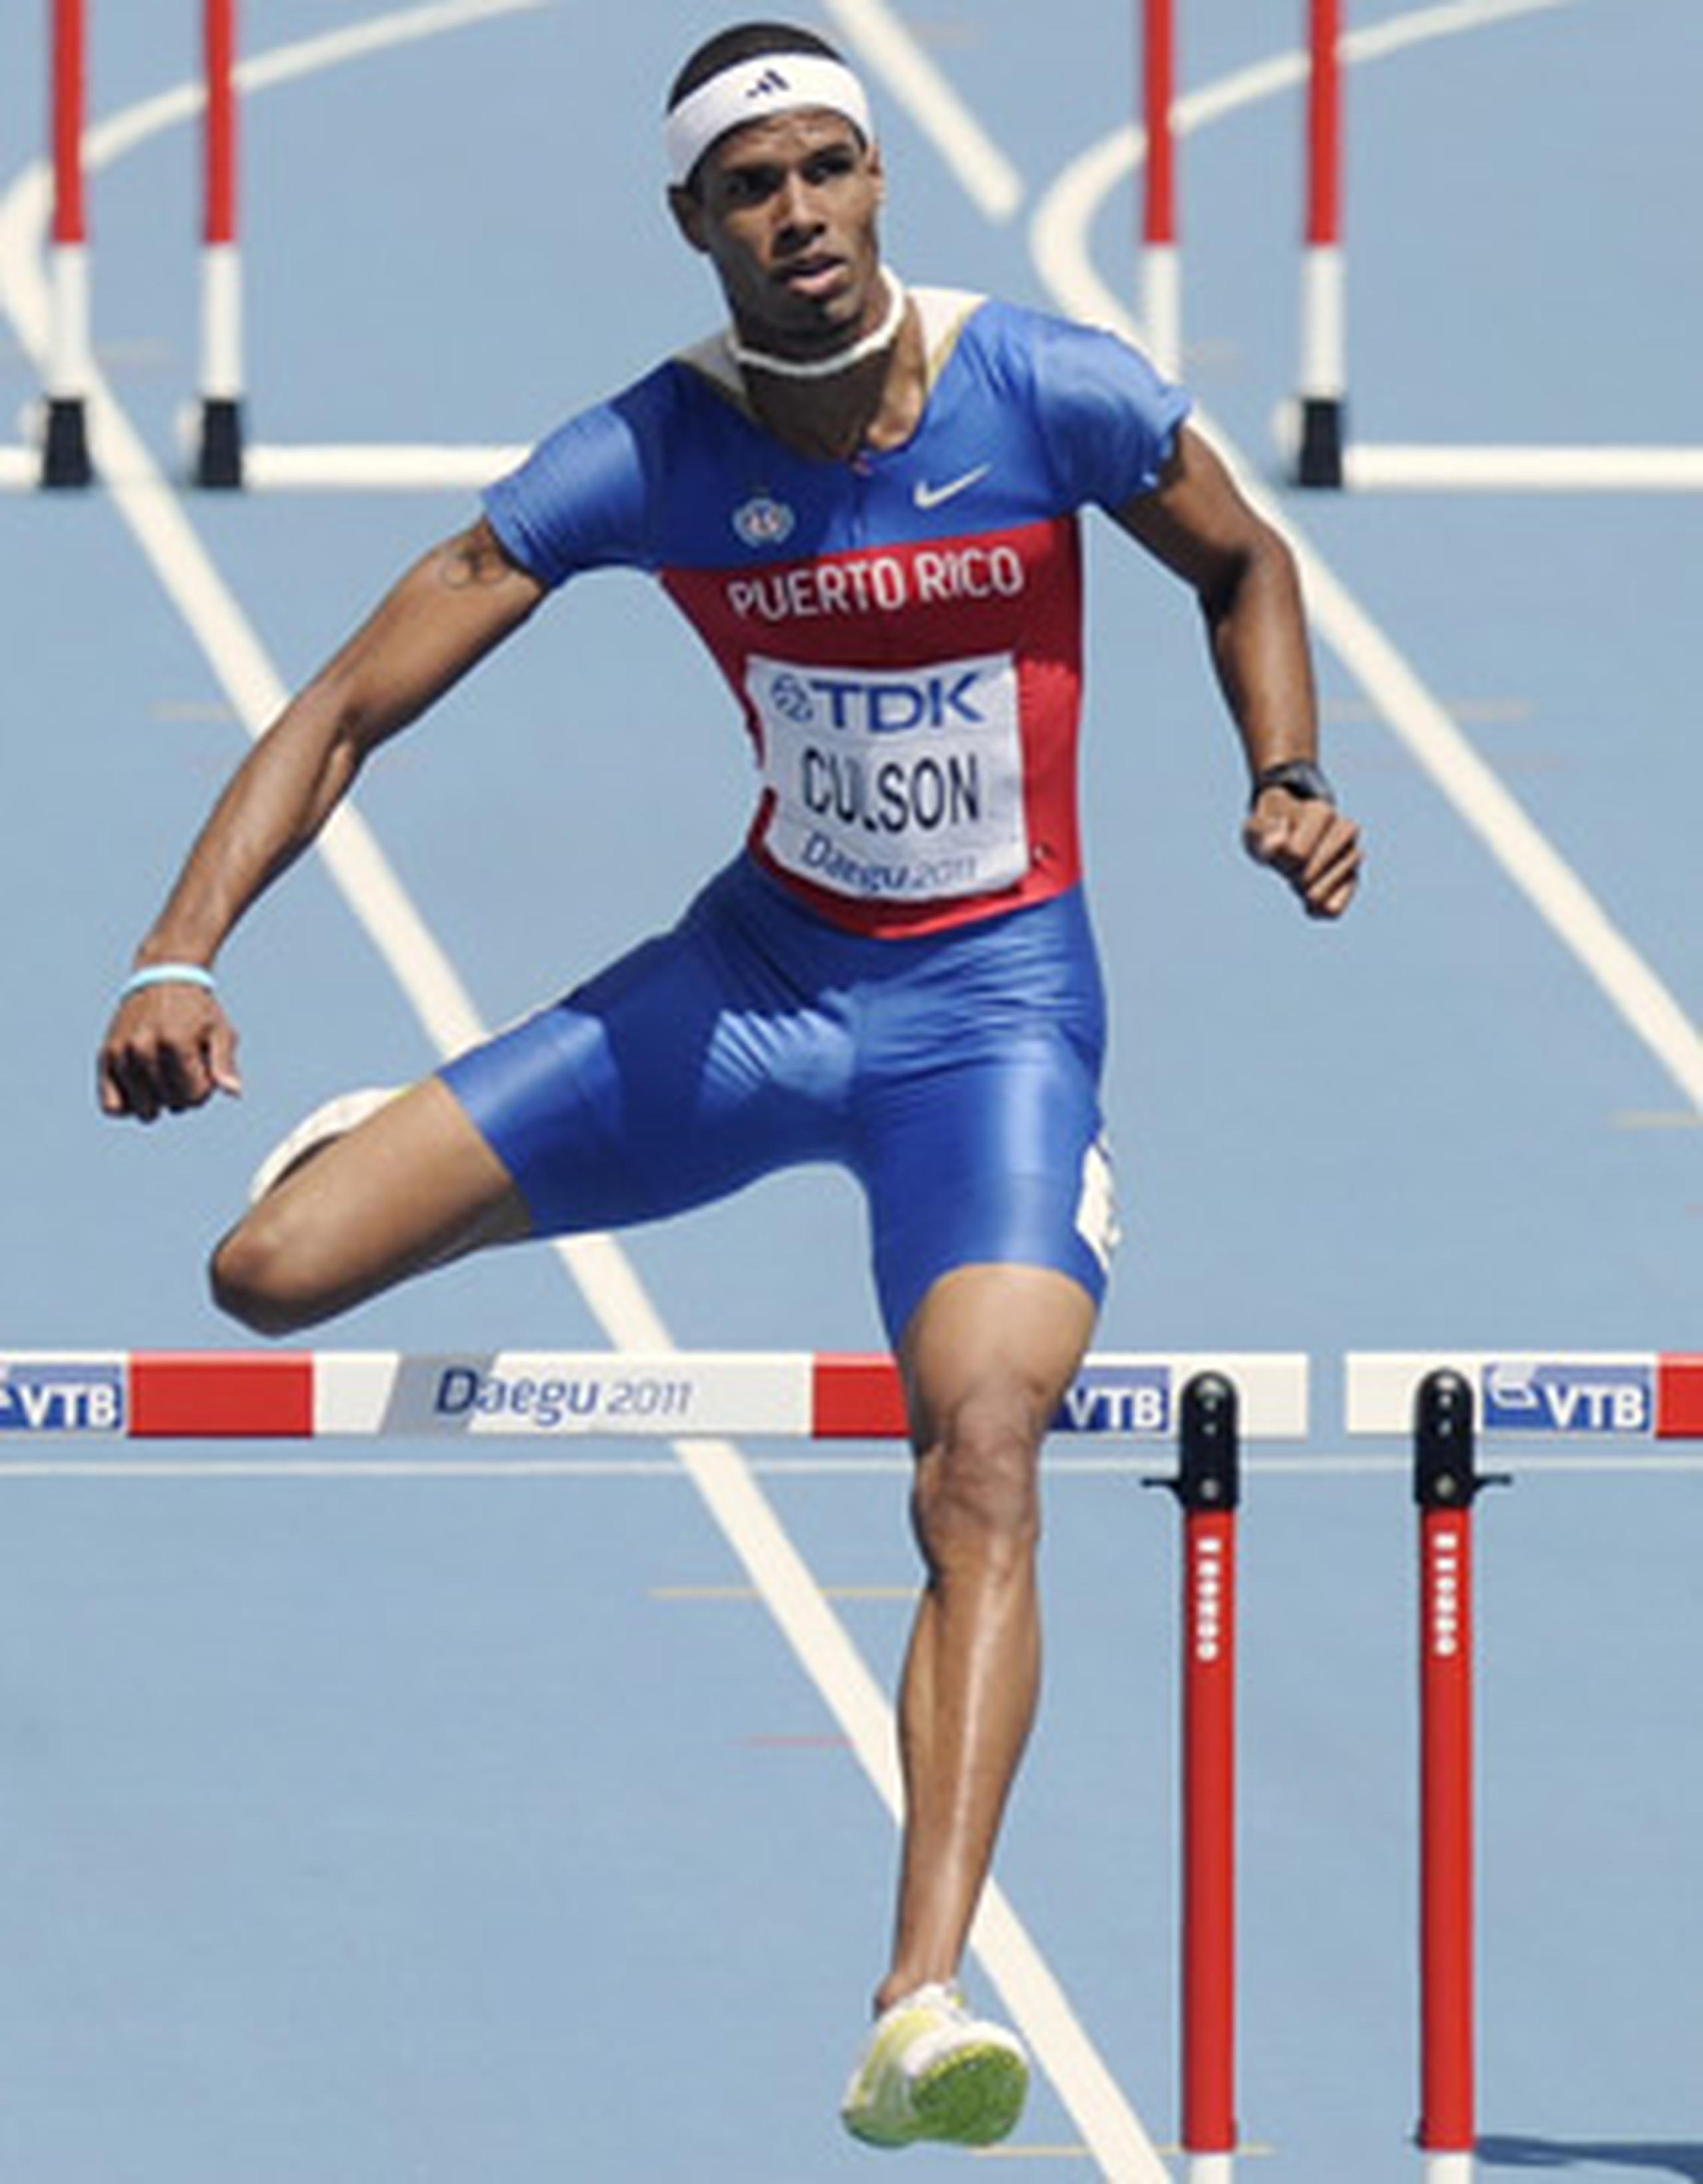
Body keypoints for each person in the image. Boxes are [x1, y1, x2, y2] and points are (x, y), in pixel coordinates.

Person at [97, 18, 1362, 2154]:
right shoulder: (651, 453)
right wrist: (176, 945)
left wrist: (1290, 769)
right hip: (757, 983)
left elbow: (1243, 557)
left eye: (829, 172)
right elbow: (346, 699)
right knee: (270, 1269)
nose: (801, 218)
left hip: (991, 1022)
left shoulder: (1044, 386)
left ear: (880, 183)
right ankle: (415, 1147)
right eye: (753, 189)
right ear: (695, 225)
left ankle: (917, 1991)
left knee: (980, 1454)